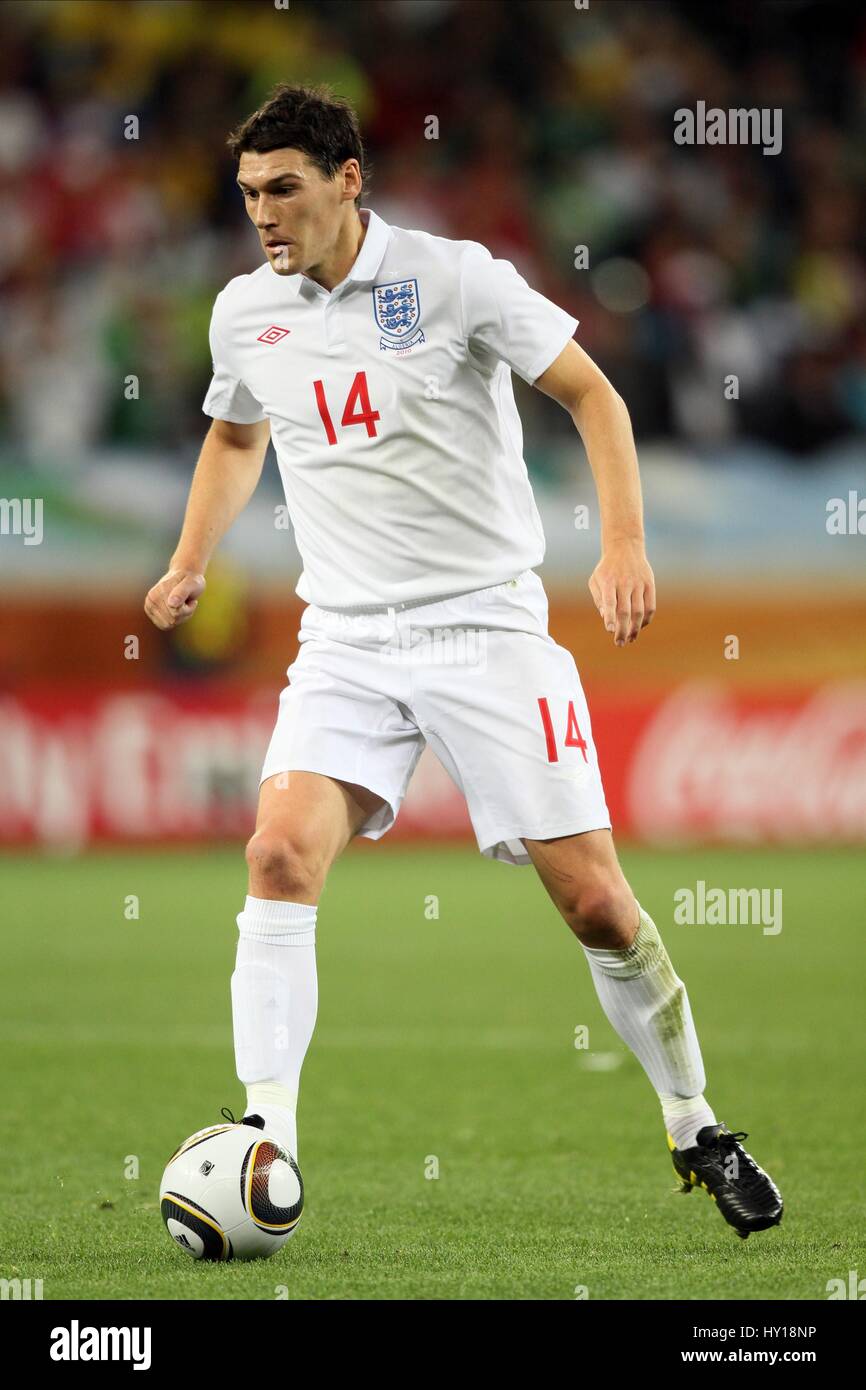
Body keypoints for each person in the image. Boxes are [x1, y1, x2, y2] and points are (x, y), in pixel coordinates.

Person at [145, 84, 782, 1240]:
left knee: (593, 901)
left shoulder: (453, 277)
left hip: (485, 627)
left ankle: (694, 1121)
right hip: (343, 636)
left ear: (348, 181)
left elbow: (592, 396)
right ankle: (263, 1135)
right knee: (277, 855)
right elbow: (237, 435)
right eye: (247, 195)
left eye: (283, 188)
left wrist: (622, 545)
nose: (263, 215)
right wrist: (191, 554)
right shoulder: (244, 313)